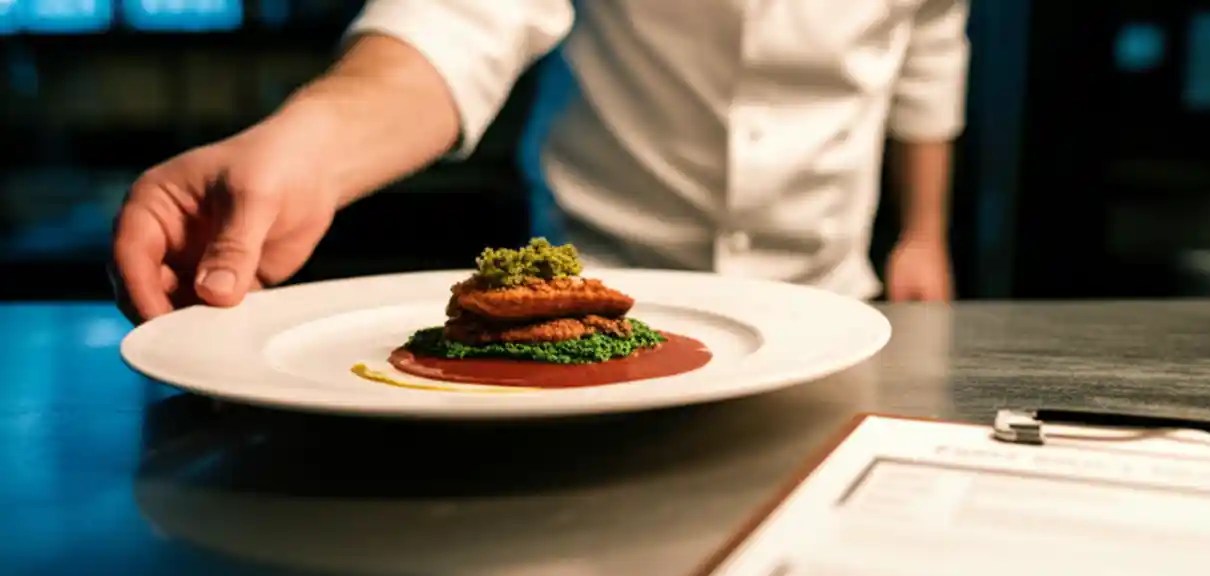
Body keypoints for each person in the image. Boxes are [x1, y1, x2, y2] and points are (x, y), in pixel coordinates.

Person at [111, 0, 969, 321]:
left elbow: (930, 51)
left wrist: (923, 234)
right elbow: (462, 19)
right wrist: (309, 144)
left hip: (825, 295)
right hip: (587, 288)